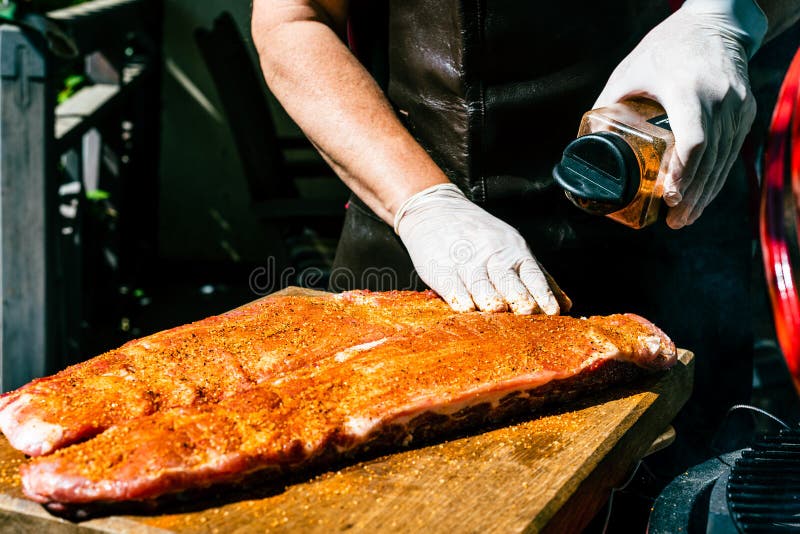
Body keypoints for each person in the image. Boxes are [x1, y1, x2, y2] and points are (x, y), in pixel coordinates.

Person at [251, 0, 800, 476]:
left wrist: (728, 18)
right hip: (419, 254)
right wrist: (422, 204)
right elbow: (292, 18)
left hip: (668, 240)